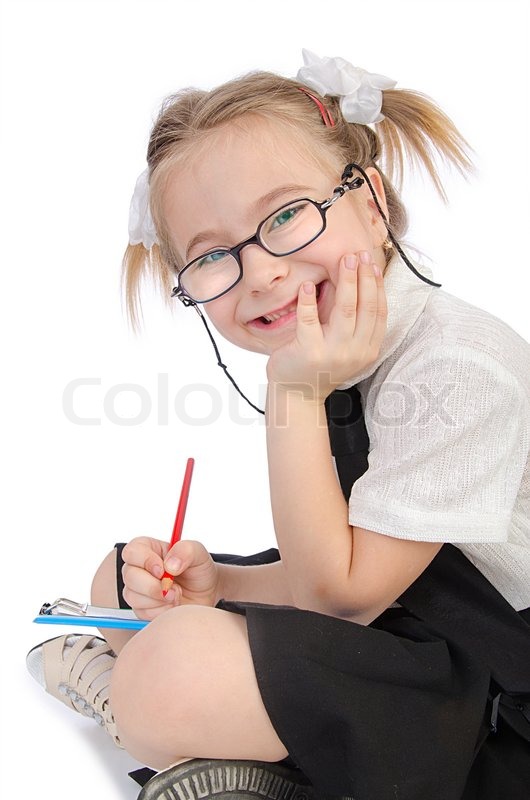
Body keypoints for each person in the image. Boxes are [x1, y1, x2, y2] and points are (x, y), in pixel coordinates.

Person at [27, 50, 530, 800]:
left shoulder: (455, 364)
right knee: (124, 584)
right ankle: (219, 747)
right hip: (398, 618)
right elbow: (342, 570)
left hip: (488, 679)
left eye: (287, 215)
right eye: (213, 257)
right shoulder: (334, 352)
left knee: (171, 670)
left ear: (371, 203)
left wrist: (295, 393)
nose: (260, 271)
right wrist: (217, 583)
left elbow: (343, 597)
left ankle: (139, 711)